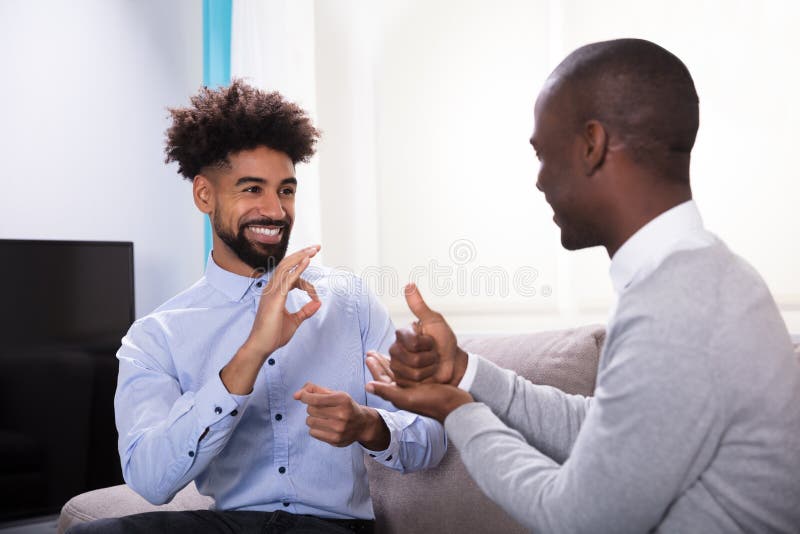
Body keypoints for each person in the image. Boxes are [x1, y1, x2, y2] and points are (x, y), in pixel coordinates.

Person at [365, 38, 800, 533]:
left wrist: (458, 412)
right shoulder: (702, 277)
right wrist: (464, 371)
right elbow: (601, 434)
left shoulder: (679, 306)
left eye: (543, 154)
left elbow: (577, 518)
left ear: (591, 145)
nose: (539, 181)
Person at [68, 80, 446, 534]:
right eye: (252, 189)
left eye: (286, 190)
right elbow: (149, 478)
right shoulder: (156, 336)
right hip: (228, 525)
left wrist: (370, 425)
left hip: (331, 528)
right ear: (205, 195)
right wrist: (252, 350)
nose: (275, 209)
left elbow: (432, 438)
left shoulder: (347, 301)